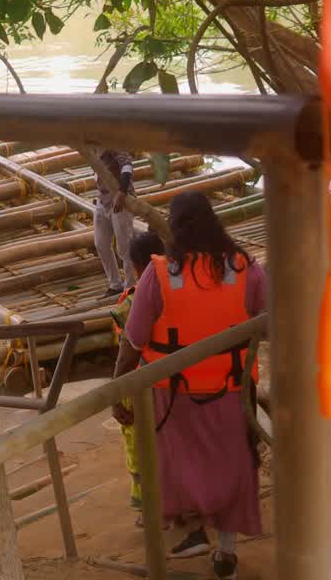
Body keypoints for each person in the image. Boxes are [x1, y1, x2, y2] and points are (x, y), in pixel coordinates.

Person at [111, 191, 265, 580]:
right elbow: (270, 320)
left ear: (174, 228)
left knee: (181, 468)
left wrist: (118, 390)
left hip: (172, 394)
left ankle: (193, 532)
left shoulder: (159, 273)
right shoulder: (245, 267)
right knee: (231, 465)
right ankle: (226, 549)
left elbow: (133, 341)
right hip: (230, 389)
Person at [110, 231, 165, 513]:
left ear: (134, 266)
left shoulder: (132, 301)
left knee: (138, 444)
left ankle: (148, 507)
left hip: (140, 384)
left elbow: (125, 353)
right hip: (178, 381)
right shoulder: (178, 287)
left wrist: (115, 394)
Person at [94, 149, 136, 297]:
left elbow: (127, 166)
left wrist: (122, 192)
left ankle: (130, 287)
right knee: (101, 244)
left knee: (124, 247)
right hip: (103, 199)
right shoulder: (90, 144)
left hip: (119, 199)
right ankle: (115, 284)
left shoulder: (111, 140)